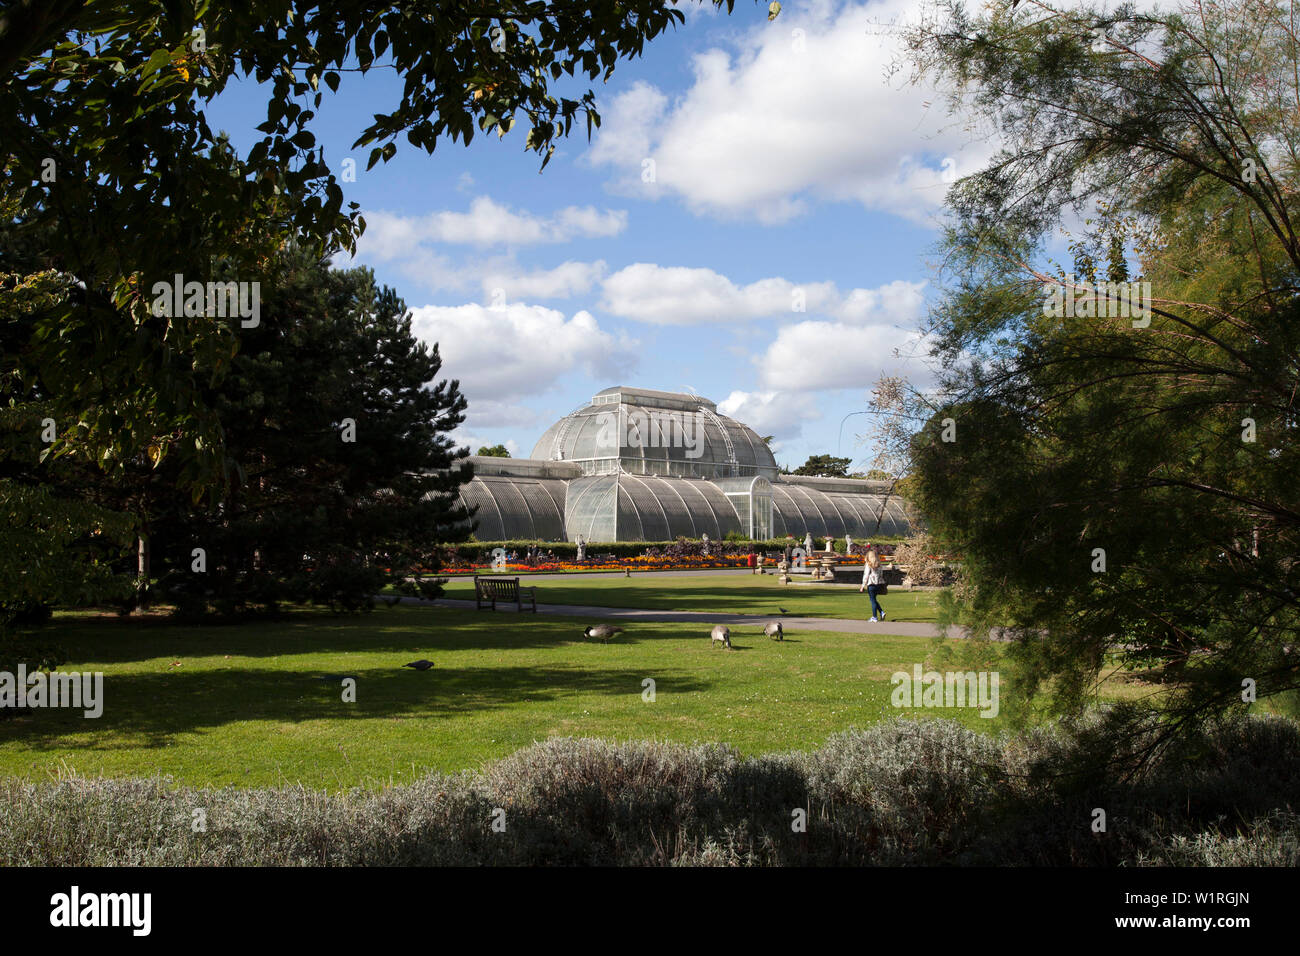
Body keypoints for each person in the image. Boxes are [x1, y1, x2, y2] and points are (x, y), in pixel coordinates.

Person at [859, 548, 886, 623]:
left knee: (872, 600)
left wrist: (862, 585)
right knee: (873, 599)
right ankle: (881, 612)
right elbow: (881, 575)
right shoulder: (879, 565)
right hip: (877, 584)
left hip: (871, 584)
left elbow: (866, 575)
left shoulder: (869, 564)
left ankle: (874, 617)